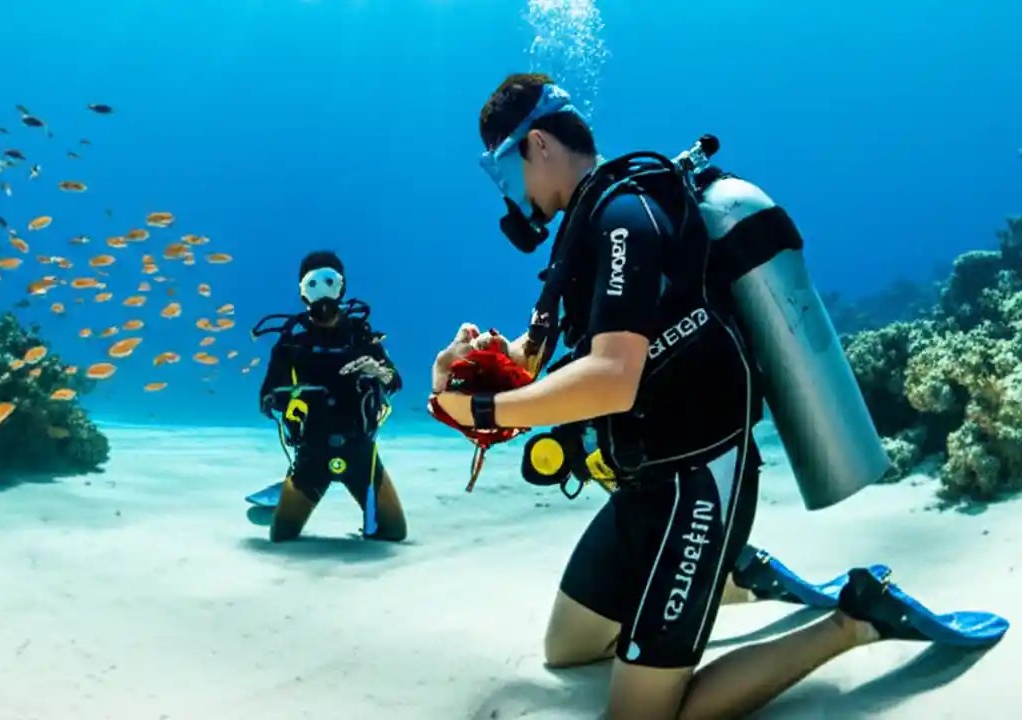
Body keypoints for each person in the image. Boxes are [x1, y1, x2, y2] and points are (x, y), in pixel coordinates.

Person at [429, 73, 935, 719]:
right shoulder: (589, 230)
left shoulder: (622, 219)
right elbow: (541, 358)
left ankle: (857, 617)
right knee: (567, 649)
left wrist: (481, 411)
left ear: (536, 145)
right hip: (643, 485)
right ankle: (732, 578)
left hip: (698, 482)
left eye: (505, 176)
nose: (510, 199)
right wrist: (468, 368)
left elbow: (612, 379)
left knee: (642, 717)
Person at [252, 251, 407, 543]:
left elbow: (395, 382)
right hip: (312, 451)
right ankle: (282, 497)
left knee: (394, 533)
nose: (322, 293)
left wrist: (380, 373)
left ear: (342, 287)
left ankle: (288, 496)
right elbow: (265, 399)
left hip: (361, 451)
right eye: (313, 284)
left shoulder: (362, 338)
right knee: (282, 537)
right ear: (303, 293)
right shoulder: (291, 345)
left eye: (329, 282)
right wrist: (289, 399)